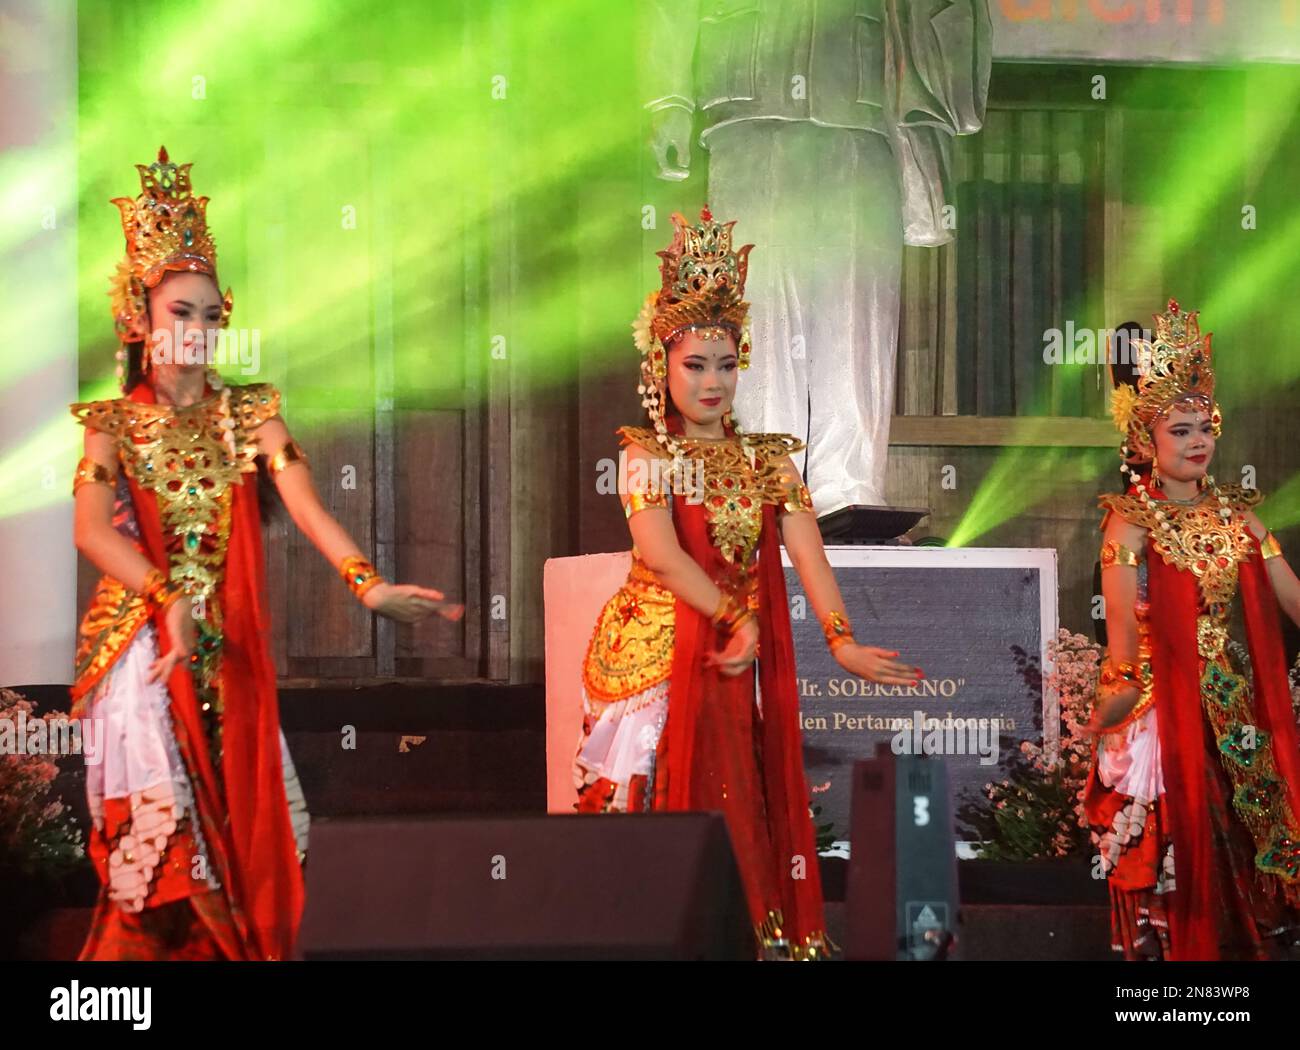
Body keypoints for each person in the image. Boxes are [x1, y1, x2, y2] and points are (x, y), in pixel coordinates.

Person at [70, 146, 462, 960]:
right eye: (183, 312)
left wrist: (369, 586)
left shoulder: (249, 414)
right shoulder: (112, 424)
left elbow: (308, 509)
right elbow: (92, 531)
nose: (203, 331)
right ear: (138, 320)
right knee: (164, 848)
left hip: (226, 653)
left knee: (249, 846)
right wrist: (164, 597)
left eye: (214, 315)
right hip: (141, 649)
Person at [573, 208, 922, 959]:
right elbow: (662, 555)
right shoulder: (645, 455)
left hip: (737, 653)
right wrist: (736, 616)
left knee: (743, 796)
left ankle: (746, 933)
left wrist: (842, 642)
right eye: (695, 364)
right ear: (660, 366)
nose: (712, 382)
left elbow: (810, 555)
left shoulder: (769, 461)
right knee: (661, 805)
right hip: (657, 658)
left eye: (725, 364)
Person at [1086, 299, 1300, 960]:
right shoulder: (1129, 521)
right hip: (1159, 700)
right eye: (1179, 430)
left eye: (1204, 427)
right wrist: (1111, 712)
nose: (1197, 441)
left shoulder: (1238, 514)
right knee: (1174, 834)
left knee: (1253, 820)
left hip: (1229, 699)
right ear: (1144, 440)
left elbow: (1287, 591)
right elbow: (1122, 638)